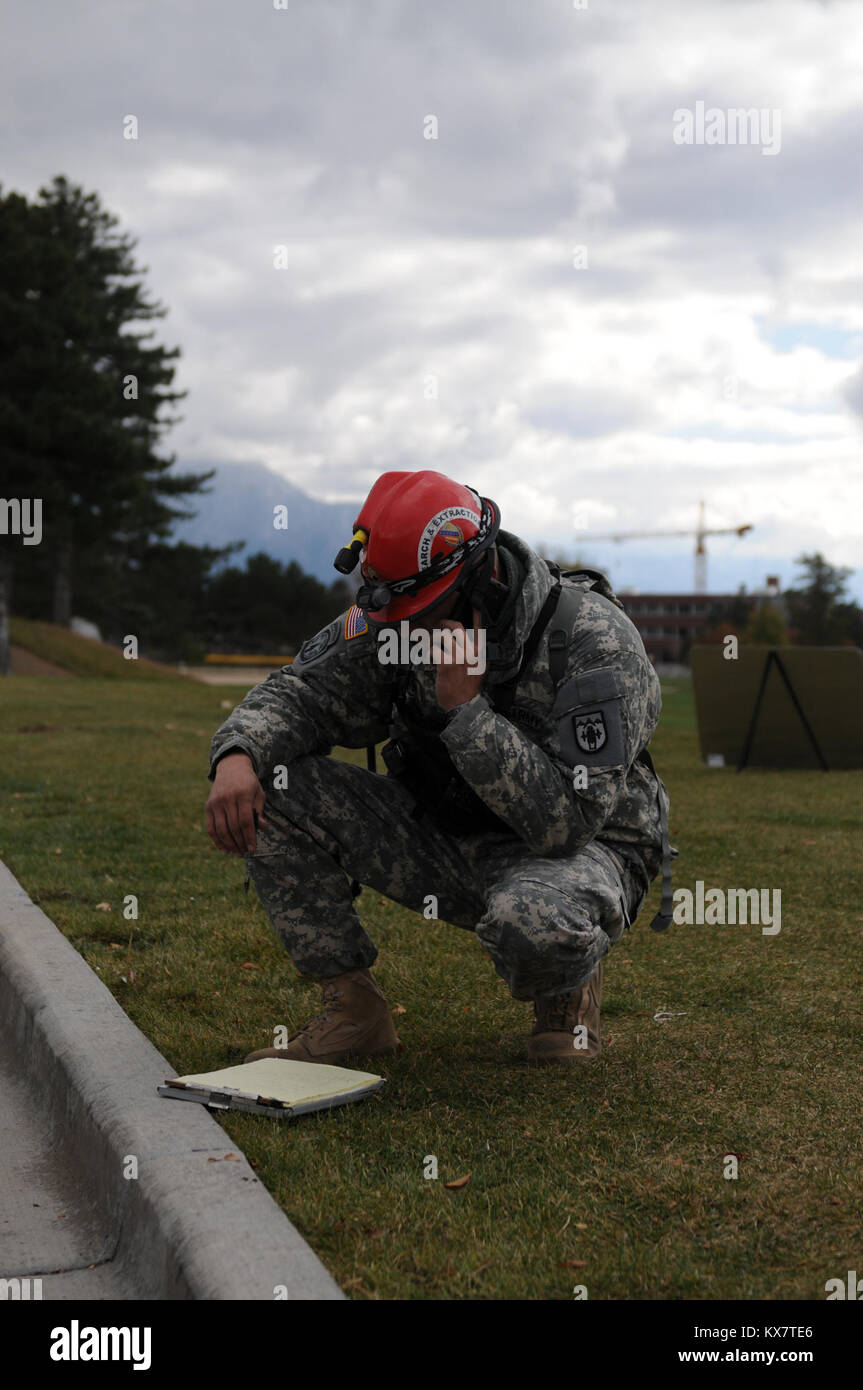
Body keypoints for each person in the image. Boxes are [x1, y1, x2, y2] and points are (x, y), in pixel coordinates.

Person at [205, 470, 676, 1066]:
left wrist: (466, 712)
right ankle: (354, 1013)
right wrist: (239, 754)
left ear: (478, 579)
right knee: (271, 789)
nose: (403, 624)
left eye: (419, 609)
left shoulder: (592, 640)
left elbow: (569, 821)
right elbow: (301, 692)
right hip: (453, 828)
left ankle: (565, 992)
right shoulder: (398, 614)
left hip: (580, 854)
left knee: (533, 923)